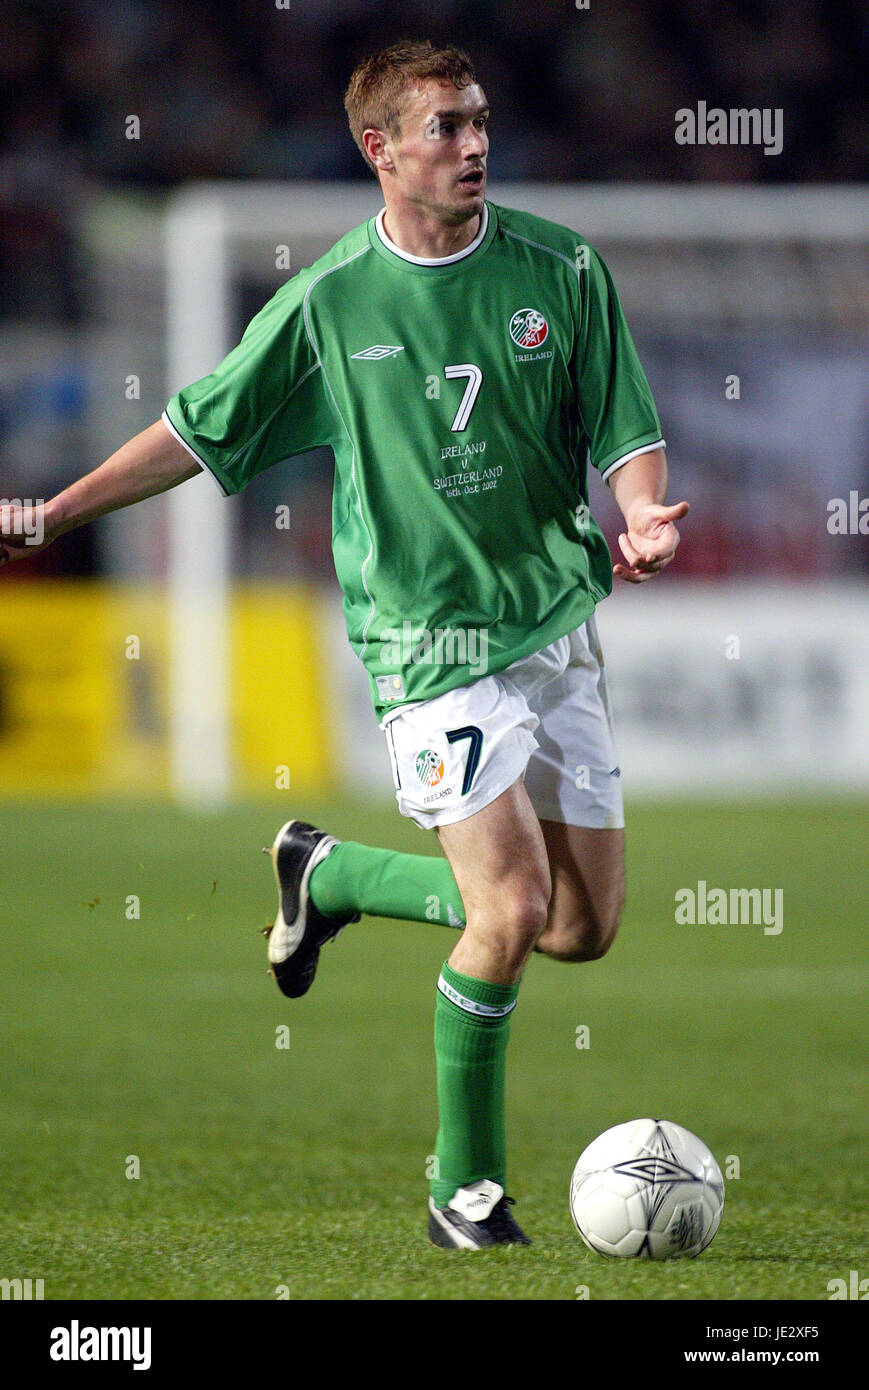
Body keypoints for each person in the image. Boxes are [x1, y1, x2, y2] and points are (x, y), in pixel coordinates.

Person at [0, 39, 688, 1249]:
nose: (472, 145)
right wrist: (55, 512)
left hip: (553, 619)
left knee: (579, 925)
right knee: (513, 902)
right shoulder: (329, 302)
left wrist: (638, 509)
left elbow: (623, 423)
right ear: (378, 150)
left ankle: (334, 875)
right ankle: (461, 1191)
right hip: (425, 643)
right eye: (443, 128)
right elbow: (191, 431)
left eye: (478, 122)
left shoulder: (559, 268)